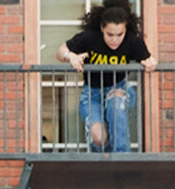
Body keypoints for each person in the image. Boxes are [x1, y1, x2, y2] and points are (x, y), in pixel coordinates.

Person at [56, 0, 157, 153]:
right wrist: (70, 56)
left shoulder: (131, 40)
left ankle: (122, 159)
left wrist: (150, 62)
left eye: (120, 34)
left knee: (115, 103)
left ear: (125, 29)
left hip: (119, 88)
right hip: (92, 94)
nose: (115, 40)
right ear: (102, 28)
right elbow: (60, 51)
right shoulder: (90, 37)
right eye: (110, 34)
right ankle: (104, 162)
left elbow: (148, 59)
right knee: (99, 137)